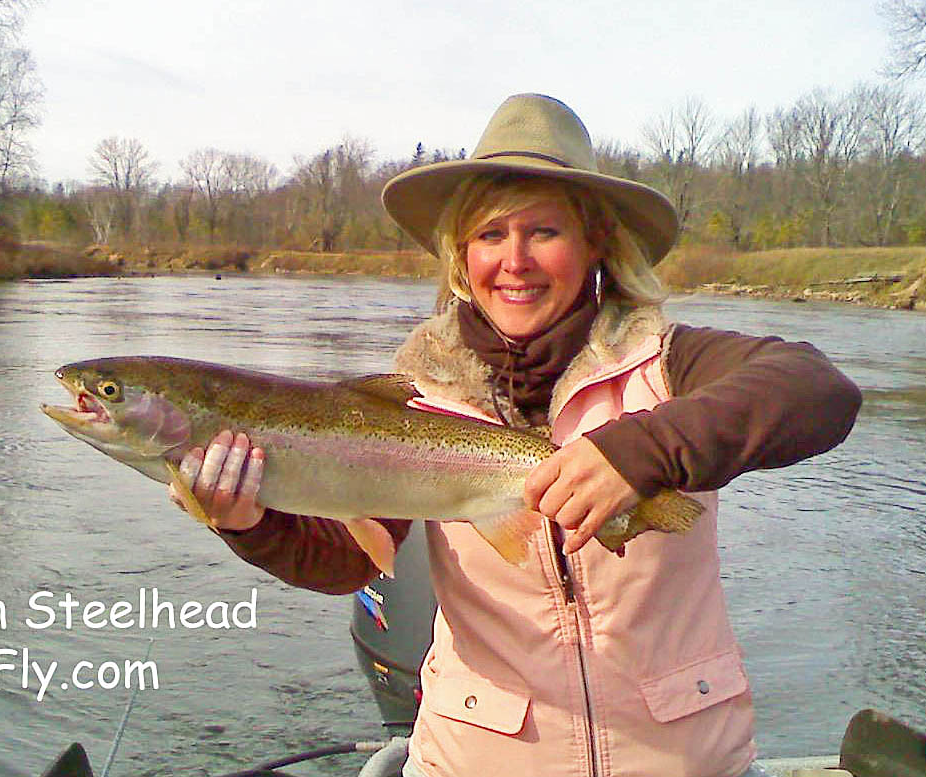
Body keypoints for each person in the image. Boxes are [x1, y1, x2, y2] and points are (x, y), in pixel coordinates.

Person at [167, 94, 862, 777]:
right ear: (461, 255)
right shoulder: (419, 395)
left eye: (544, 232)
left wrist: (641, 451)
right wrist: (250, 522)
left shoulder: (671, 361)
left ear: (595, 243)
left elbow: (816, 389)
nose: (515, 260)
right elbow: (348, 563)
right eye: (490, 235)